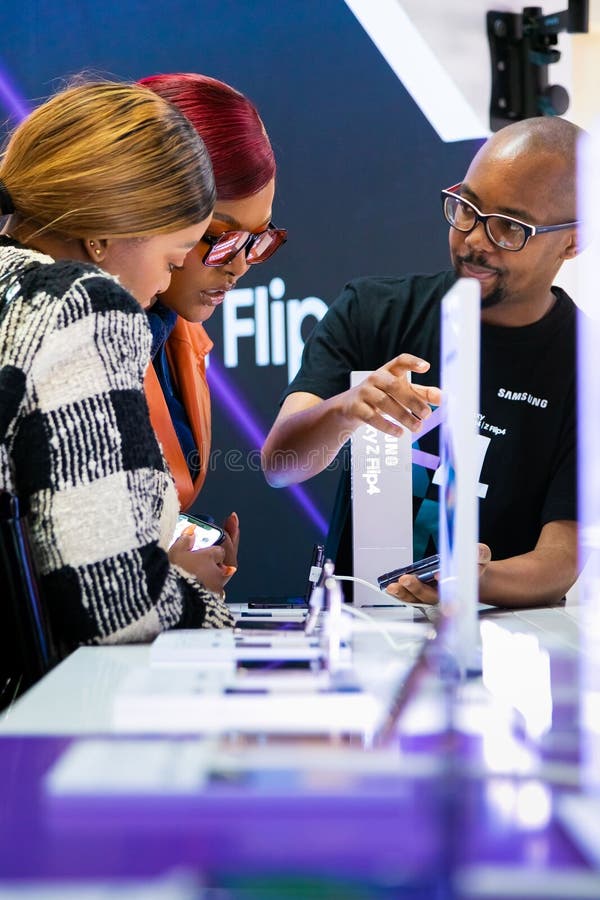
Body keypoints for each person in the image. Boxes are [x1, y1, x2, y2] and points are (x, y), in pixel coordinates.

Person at [262, 115, 581, 609]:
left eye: (508, 227)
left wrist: (469, 580)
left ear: (572, 241)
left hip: (501, 646)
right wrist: (346, 410)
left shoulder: (585, 368)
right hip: (355, 632)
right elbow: (281, 465)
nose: (475, 238)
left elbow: (561, 559)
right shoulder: (372, 312)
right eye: (467, 207)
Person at [0, 79, 235, 657]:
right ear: (105, 234)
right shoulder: (80, 304)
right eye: (173, 258)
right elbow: (115, 607)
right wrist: (194, 593)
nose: (161, 287)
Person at [138, 72, 286, 596]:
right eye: (218, 237)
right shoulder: (71, 336)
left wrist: (186, 546)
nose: (242, 265)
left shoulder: (179, 335)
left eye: (259, 239)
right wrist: (168, 586)